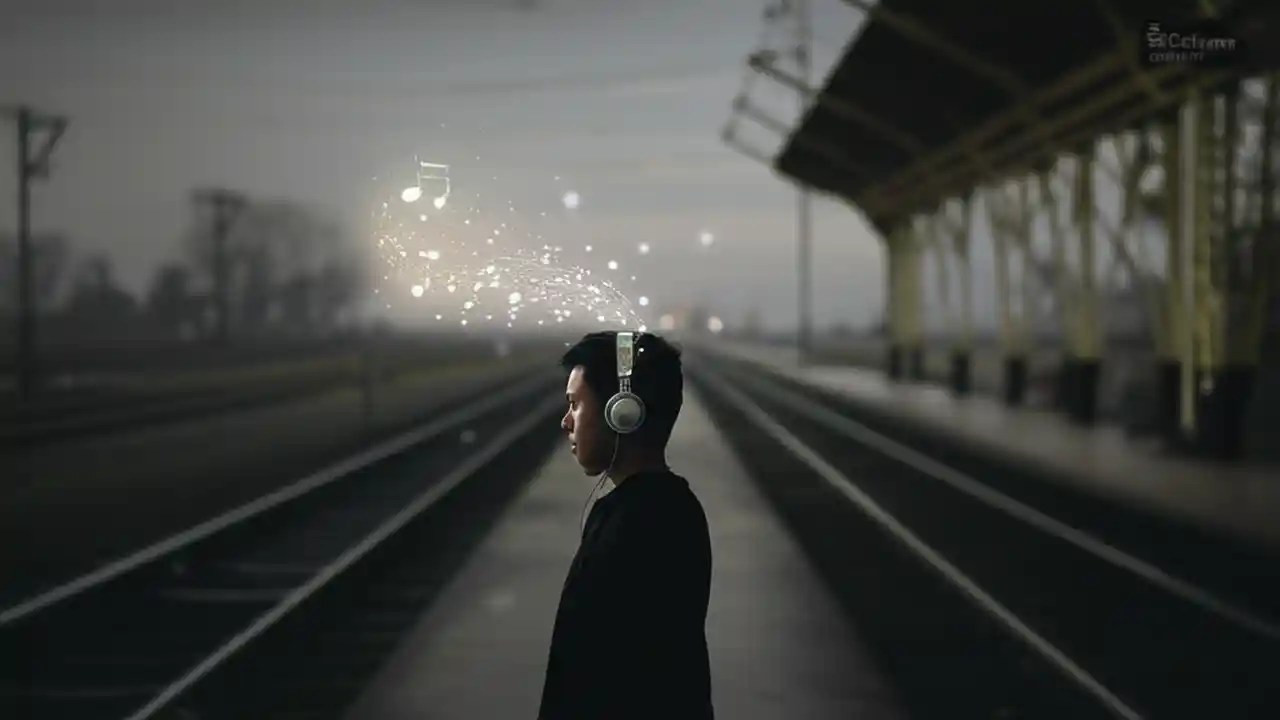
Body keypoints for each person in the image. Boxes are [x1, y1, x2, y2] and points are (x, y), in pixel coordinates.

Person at [538, 330, 714, 720]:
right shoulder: (674, 508)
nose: (566, 421)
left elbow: (594, 678)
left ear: (622, 412)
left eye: (575, 405)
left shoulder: (635, 526)